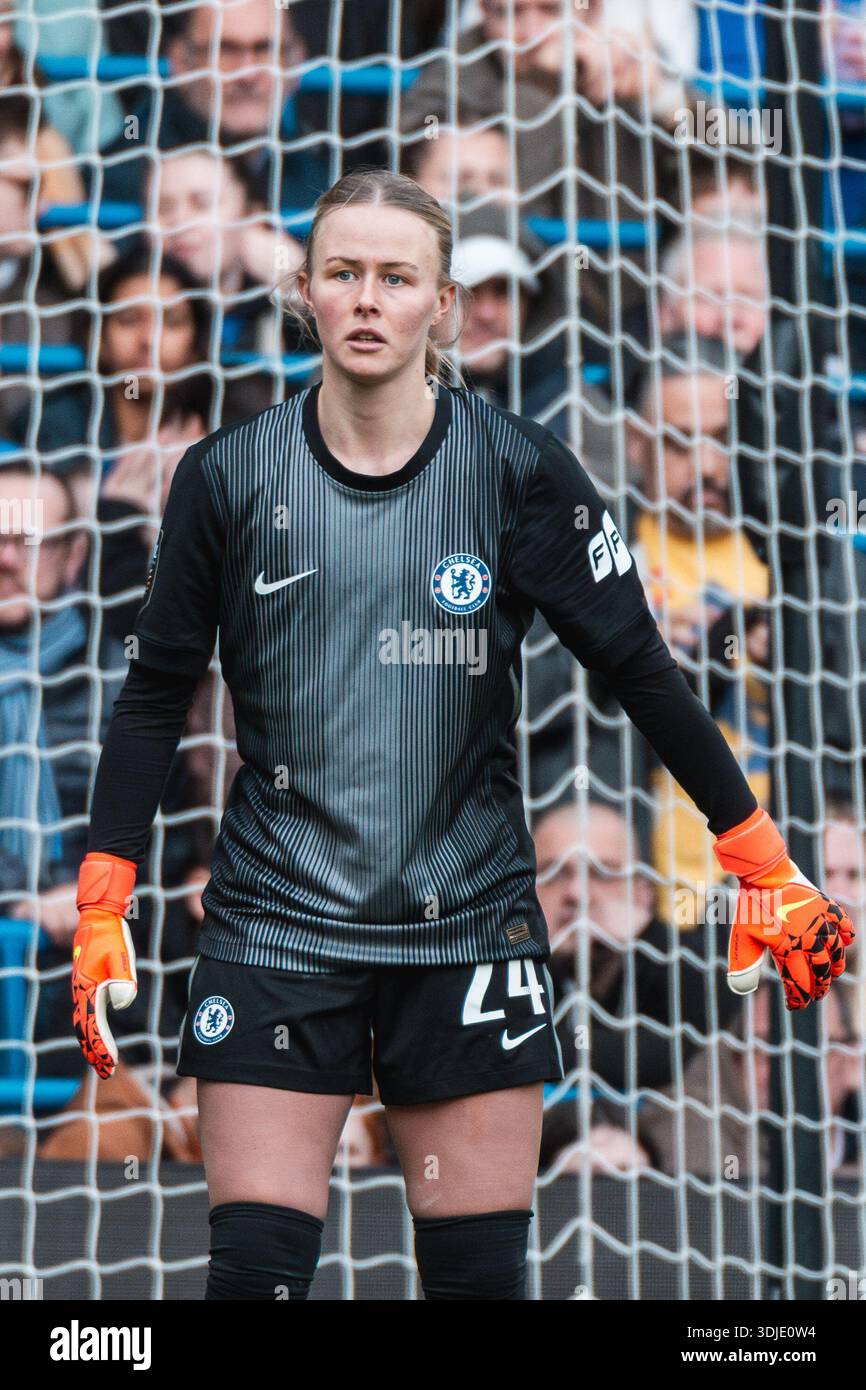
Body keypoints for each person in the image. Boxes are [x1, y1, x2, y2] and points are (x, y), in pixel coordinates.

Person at [70, 170, 853, 1302]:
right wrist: (105, 892)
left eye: (396, 277)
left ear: (442, 304)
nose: (367, 300)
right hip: (276, 926)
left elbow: (642, 673)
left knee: (477, 1291)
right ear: (303, 291)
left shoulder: (521, 472)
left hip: (470, 925)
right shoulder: (227, 476)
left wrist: (758, 857)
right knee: (253, 1282)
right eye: (343, 273)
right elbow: (152, 697)